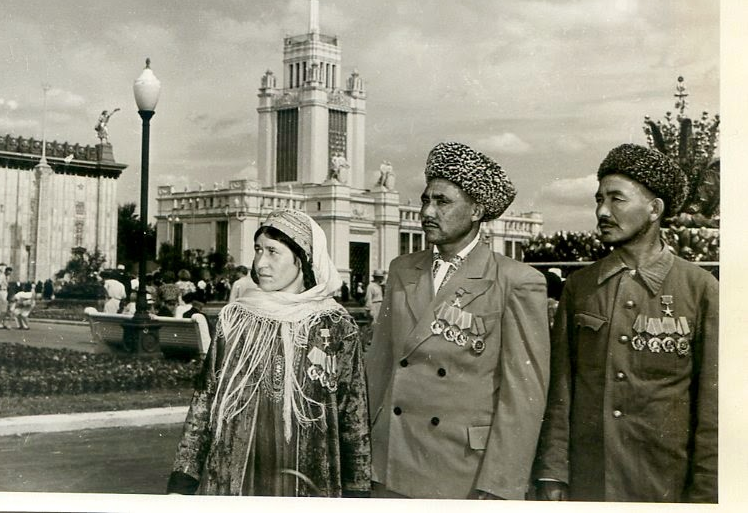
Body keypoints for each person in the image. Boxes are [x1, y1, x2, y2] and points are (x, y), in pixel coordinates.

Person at [533, 144, 718, 503]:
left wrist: (707, 494)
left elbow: (712, 407)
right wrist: (553, 472)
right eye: (599, 199)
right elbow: (561, 390)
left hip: (665, 485)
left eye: (617, 199)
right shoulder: (581, 288)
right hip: (591, 483)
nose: (602, 211)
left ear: (654, 209)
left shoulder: (700, 290)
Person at [365, 142, 550, 499]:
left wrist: (499, 484)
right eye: (425, 199)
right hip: (390, 464)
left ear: (477, 210)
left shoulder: (516, 281)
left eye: (442, 202)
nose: (427, 212)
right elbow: (378, 367)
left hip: (463, 472)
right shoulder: (402, 270)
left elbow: (524, 395)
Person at [168, 208, 371, 497]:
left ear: (301, 260)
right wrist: (182, 479)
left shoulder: (335, 325)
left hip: (306, 476)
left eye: (273, 252)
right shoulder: (236, 319)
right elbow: (205, 401)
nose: (260, 262)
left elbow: (354, 414)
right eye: (257, 250)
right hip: (239, 471)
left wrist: (358, 491)